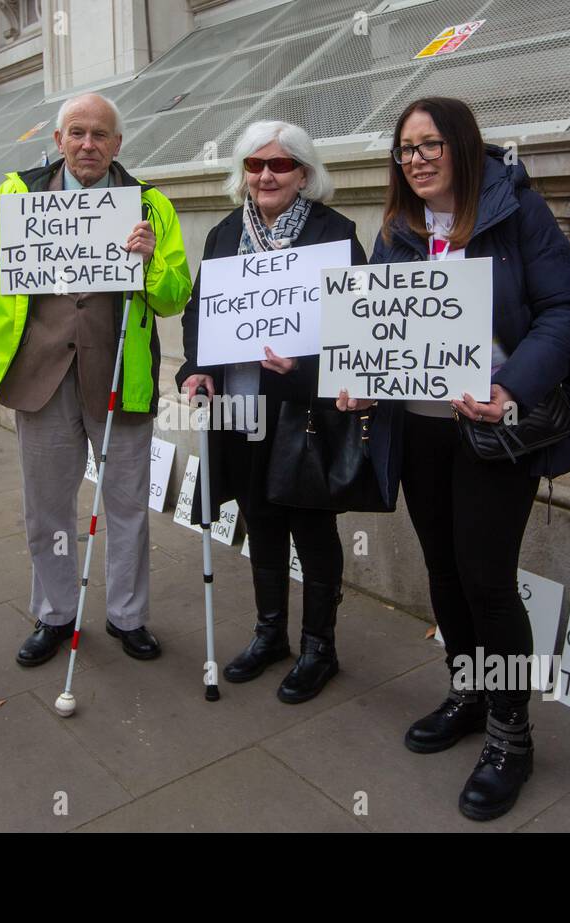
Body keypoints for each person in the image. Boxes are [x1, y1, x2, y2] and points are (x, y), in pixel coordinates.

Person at [339, 97, 570, 820]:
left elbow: (568, 313)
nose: (416, 159)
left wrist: (509, 385)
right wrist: (359, 382)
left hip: (493, 429)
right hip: (419, 429)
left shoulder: (516, 210)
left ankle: (510, 733)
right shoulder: (395, 227)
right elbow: (378, 325)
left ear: (462, 145)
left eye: (429, 145)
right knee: (445, 573)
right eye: (405, 149)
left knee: (488, 580)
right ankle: (470, 689)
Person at [0, 93, 191, 666]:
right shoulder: (20, 194)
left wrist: (150, 261)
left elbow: (174, 296)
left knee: (128, 505)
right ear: (59, 140)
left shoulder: (150, 204)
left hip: (119, 376)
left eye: (100, 135)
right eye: (77, 133)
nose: (88, 144)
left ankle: (128, 616)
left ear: (117, 144)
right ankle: (54, 613)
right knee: (46, 506)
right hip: (41, 374)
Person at [176, 121, 370, 703]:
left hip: (303, 409)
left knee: (311, 524)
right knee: (258, 516)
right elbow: (200, 309)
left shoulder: (335, 234)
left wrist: (306, 370)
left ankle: (319, 646)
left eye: (279, 165)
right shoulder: (225, 231)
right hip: (240, 404)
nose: (265, 175)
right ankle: (270, 635)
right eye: (255, 164)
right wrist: (197, 366)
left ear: (304, 174)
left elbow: (356, 327)